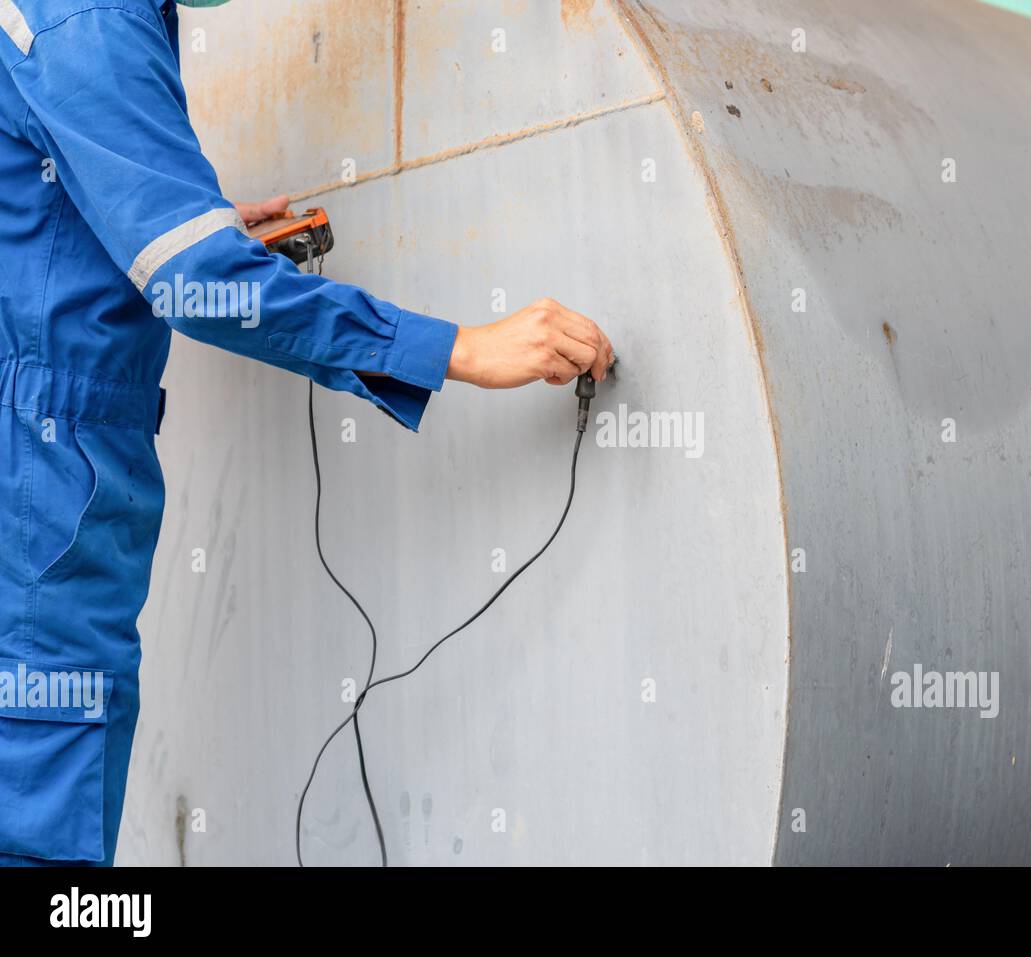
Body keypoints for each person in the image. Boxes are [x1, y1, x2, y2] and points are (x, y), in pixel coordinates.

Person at [0, 0, 614, 866]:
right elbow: (195, 280)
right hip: (39, 480)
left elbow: (47, 216)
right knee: (43, 828)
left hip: (43, 458)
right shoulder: (88, 15)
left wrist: (180, 224)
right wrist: (460, 349)